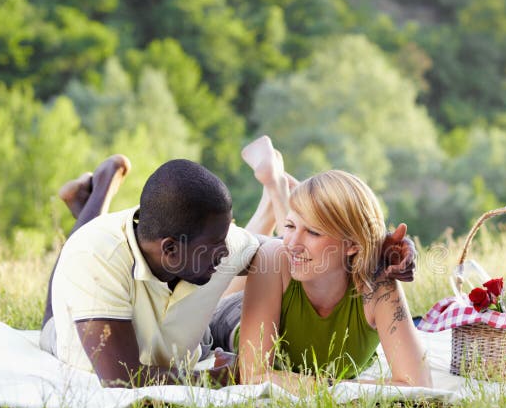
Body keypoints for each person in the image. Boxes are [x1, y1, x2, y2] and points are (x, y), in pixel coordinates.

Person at [40, 137, 417, 388]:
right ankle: (94, 200)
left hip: (162, 306)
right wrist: (207, 380)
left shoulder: (224, 248)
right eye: (215, 246)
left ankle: (271, 200)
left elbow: (278, 251)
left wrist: (378, 247)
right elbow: (122, 380)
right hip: (75, 308)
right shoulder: (95, 261)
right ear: (170, 250)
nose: (227, 253)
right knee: (68, 284)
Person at [206, 140, 431, 392]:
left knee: (286, 251)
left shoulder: (377, 282)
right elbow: (254, 376)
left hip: (298, 275)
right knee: (259, 254)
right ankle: (274, 191)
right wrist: (346, 388)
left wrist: (318, 386)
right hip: (234, 312)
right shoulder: (275, 256)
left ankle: (276, 191)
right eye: (289, 226)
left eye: (314, 232)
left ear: (353, 244)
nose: (293, 241)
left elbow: (419, 384)